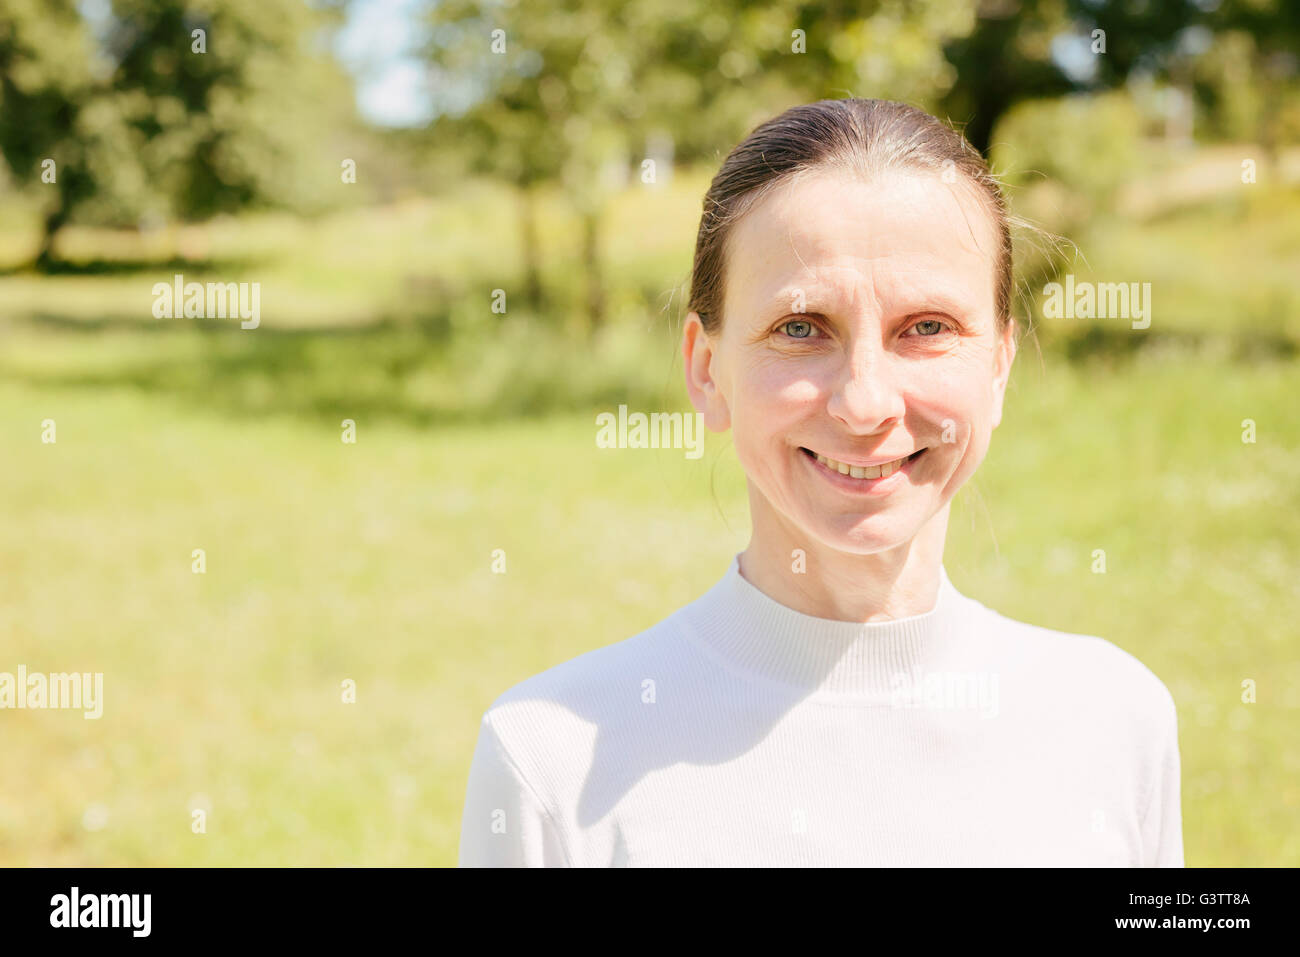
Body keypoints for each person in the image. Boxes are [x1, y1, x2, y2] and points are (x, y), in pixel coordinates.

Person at [458, 98, 1183, 867]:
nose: (865, 402)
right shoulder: (548, 759)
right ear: (708, 370)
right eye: (801, 328)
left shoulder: (1114, 719)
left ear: (1000, 365)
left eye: (928, 327)